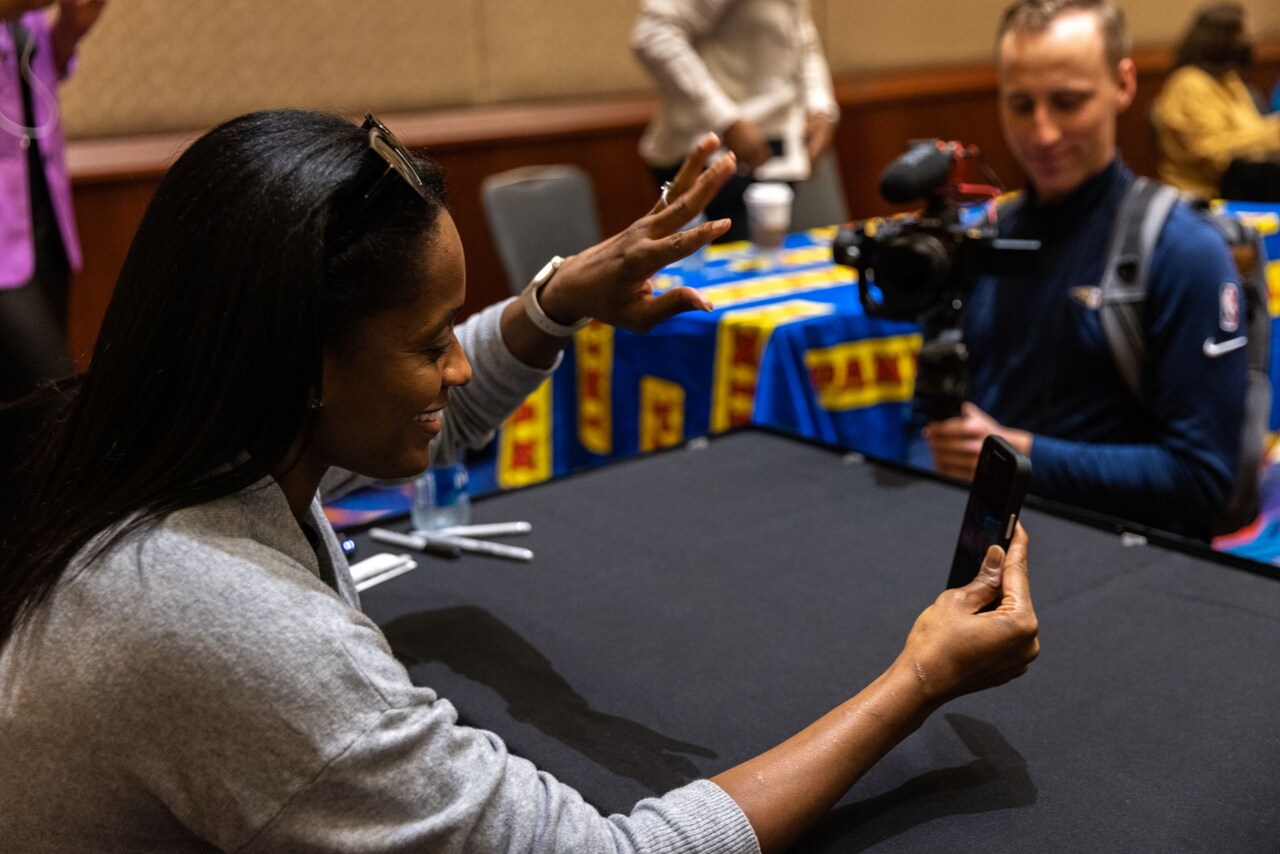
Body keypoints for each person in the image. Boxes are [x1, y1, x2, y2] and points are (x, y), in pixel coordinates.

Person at [0, 108, 1040, 850]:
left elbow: (422, 420)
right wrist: (916, 679)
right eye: (427, 342)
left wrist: (553, 304)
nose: (456, 366)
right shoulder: (227, 627)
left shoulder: (163, 427)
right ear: (301, 364)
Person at [923, 0, 1247, 541]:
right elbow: (928, 425)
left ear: (1123, 85)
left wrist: (1016, 456)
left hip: (1133, 565)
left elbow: (1202, 479)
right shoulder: (974, 241)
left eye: (1068, 103)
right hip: (987, 555)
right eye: (1021, 105)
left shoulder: (1184, 250)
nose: (1043, 133)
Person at [0, 0, 105, 522]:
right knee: (54, 412)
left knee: (17, 430)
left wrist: (70, 29)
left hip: (40, 222)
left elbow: (38, 74)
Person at [632, 0, 840, 242]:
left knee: (770, 272)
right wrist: (725, 118)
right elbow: (654, 35)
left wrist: (821, 106)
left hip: (773, 152)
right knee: (719, 276)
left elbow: (799, 32)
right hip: (710, 156)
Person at [1152, 3, 1280, 200]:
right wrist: (1273, 131)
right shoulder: (1188, 84)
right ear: (1221, 39)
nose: (1251, 40)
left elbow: (1250, 130)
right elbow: (1213, 153)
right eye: (1244, 35)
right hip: (1205, 198)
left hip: (1246, 186)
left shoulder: (1228, 80)